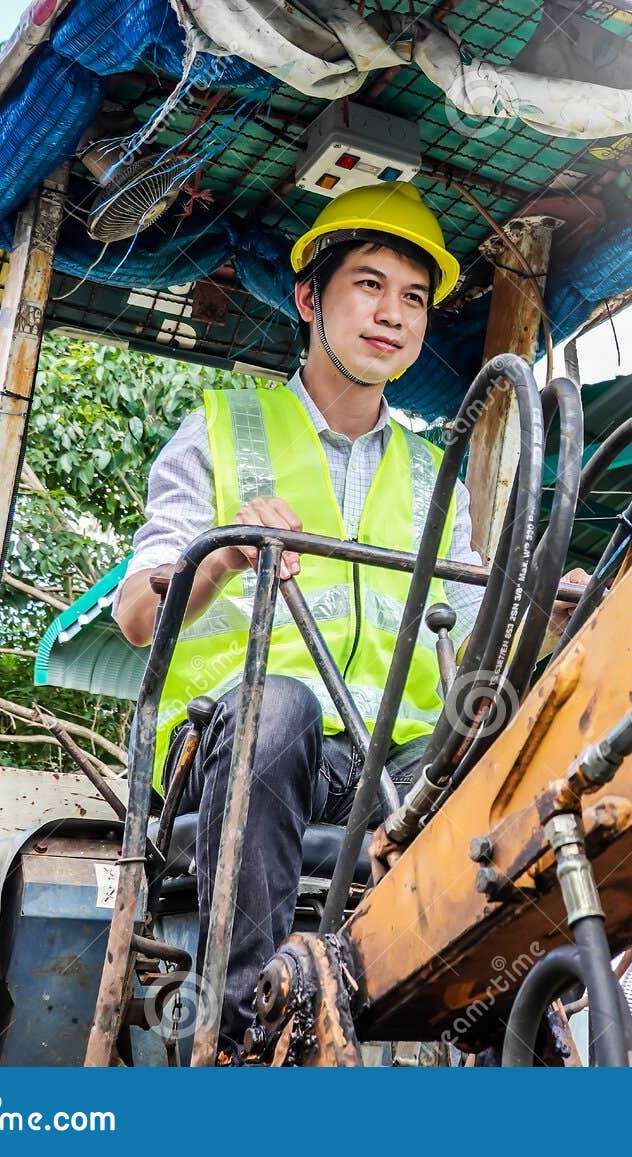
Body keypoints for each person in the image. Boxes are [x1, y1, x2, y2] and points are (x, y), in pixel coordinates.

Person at [113, 182, 582, 1055]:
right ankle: (252, 1028)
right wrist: (220, 554)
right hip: (237, 755)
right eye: (368, 284)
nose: (392, 315)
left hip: (388, 765)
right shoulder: (219, 430)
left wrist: (552, 609)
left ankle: (515, 1032)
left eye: (412, 298)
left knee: (497, 736)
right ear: (307, 297)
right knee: (280, 701)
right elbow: (140, 614)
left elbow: (486, 630)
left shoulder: (433, 474)